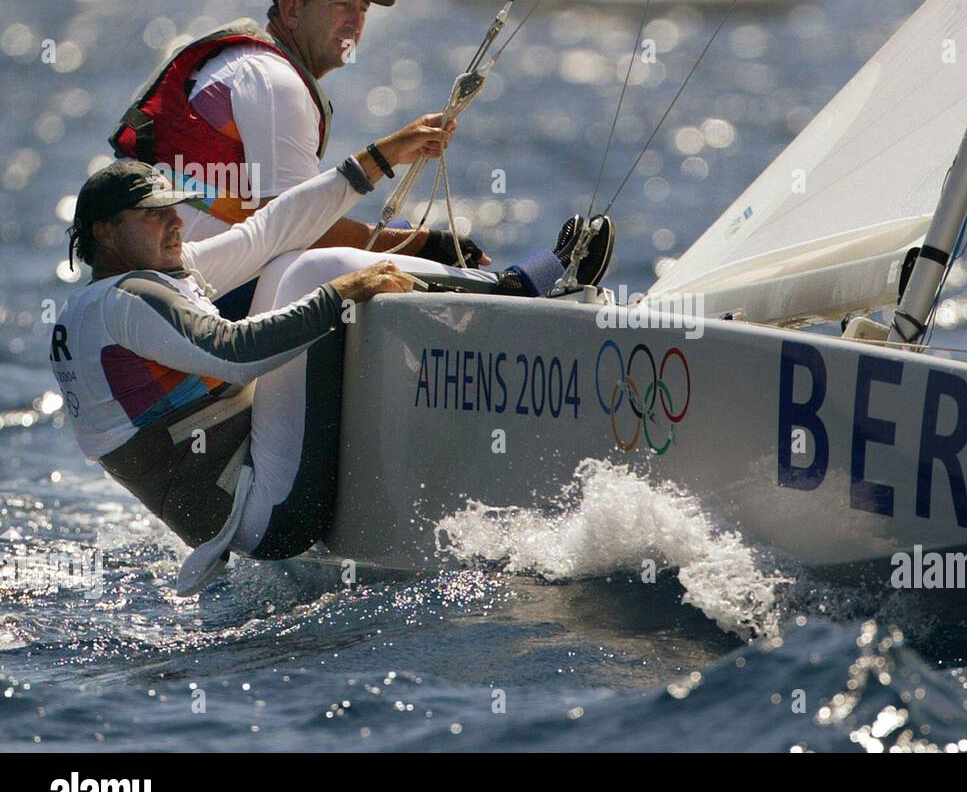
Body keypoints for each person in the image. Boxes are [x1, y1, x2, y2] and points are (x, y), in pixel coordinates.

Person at [53, 111, 612, 594]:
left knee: (286, 262)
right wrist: (338, 296)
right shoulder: (121, 302)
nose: (175, 220)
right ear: (104, 233)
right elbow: (233, 355)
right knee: (322, 272)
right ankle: (523, 289)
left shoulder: (118, 295)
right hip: (265, 514)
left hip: (255, 490)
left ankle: (509, 292)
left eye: (174, 207)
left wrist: (380, 156)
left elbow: (272, 229)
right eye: (155, 214)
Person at [108, 0, 485, 317]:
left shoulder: (243, 63)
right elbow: (299, 227)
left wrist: (410, 236)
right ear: (291, 9)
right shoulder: (276, 82)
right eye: (341, 4)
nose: (355, 22)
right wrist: (425, 243)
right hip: (195, 295)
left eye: (363, 8)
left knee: (396, 238)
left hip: (157, 281)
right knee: (393, 255)